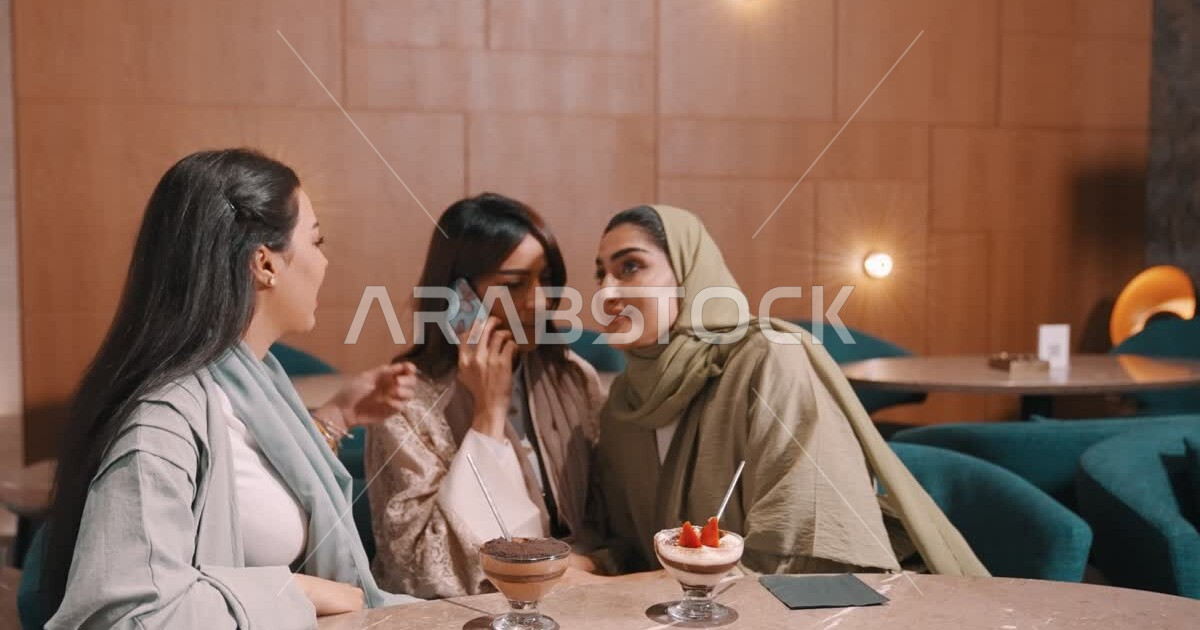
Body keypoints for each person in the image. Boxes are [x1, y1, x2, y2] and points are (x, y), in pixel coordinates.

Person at [30, 148, 420, 630]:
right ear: (265, 264)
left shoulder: (252, 382)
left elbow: (248, 490)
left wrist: (336, 418)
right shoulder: (163, 416)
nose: (324, 263)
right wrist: (294, 589)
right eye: (316, 242)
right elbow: (125, 615)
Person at [593, 205, 988, 576]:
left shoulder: (769, 360)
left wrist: (632, 587)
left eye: (630, 266)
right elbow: (631, 548)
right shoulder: (624, 403)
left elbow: (802, 556)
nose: (606, 293)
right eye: (600, 274)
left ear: (690, 275)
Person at [366, 193, 607, 599]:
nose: (540, 302)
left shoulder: (572, 378)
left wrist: (576, 567)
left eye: (546, 280)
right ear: (460, 297)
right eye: (514, 285)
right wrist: (488, 416)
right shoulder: (402, 402)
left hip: (581, 601)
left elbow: (612, 528)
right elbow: (420, 566)